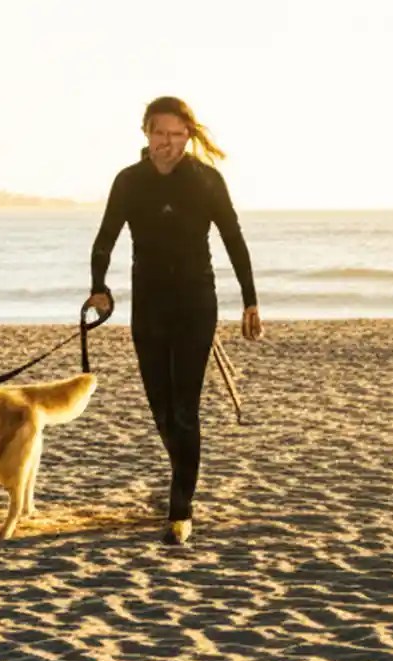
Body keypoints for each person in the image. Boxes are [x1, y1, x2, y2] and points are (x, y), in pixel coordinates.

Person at [86, 96, 263, 545]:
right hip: (148, 304)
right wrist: (99, 287)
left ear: (188, 136)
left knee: (185, 408)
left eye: (177, 134)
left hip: (195, 303)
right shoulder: (129, 182)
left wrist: (250, 301)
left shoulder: (205, 181)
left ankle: (180, 508)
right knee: (161, 408)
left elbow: (233, 238)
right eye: (160, 133)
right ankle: (181, 474)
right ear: (146, 132)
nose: (168, 142)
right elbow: (105, 237)